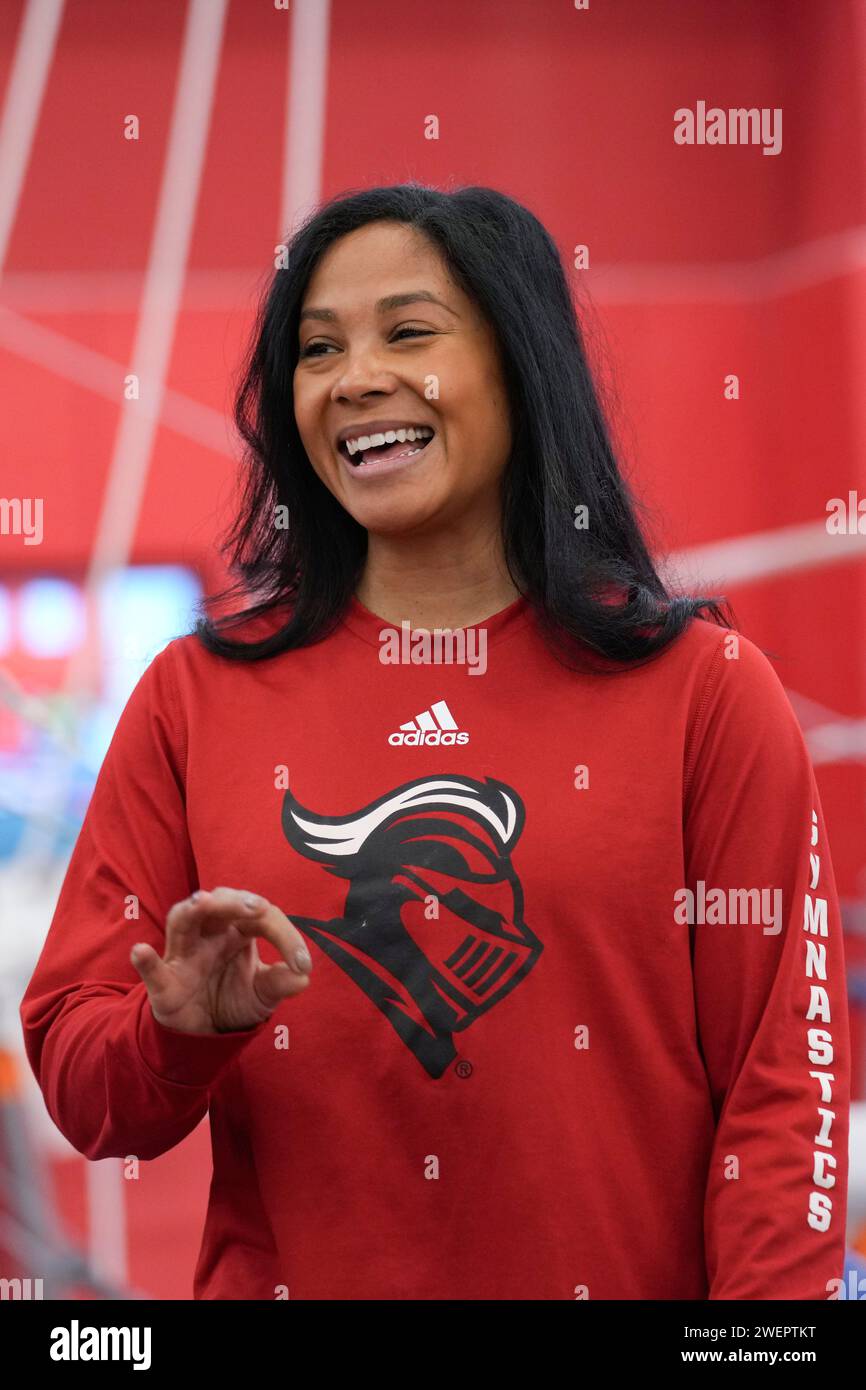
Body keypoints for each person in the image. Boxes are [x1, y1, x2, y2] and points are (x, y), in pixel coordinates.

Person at [20, 182, 849, 1300]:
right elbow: (81, 1085)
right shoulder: (192, 698)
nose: (355, 377)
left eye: (407, 332)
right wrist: (176, 1034)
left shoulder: (704, 692)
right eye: (316, 349)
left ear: (520, 363)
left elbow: (778, 1096)